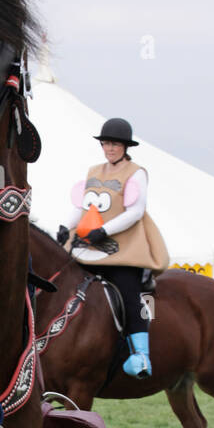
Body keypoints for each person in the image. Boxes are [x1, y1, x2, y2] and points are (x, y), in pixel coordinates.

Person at [56, 118, 169, 378]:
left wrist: (103, 231)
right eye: (106, 143)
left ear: (125, 146)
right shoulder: (94, 170)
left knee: (130, 296)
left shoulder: (136, 172)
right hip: (88, 246)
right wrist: (64, 225)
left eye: (114, 144)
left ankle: (141, 356)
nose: (109, 148)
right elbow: (82, 206)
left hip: (122, 249)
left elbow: (136, 211)